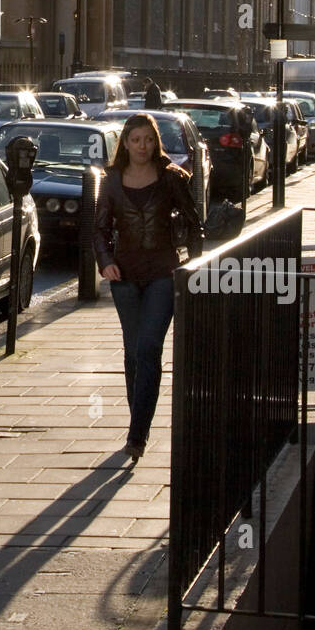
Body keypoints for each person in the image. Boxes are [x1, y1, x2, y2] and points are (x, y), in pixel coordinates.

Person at [92, 112, 203, 463]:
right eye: (136, 139)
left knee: (149, 348)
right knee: (132, 353)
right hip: (123, 275)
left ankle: (137, 435)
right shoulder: (110, 180)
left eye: (149, 139)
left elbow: (194, 221)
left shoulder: (171, 178)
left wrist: (191, 266)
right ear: (125, 143)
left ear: (156, 142)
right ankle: (139, 417)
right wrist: (105, 260)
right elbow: (97, 228)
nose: (143, 146)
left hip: (162, 273)